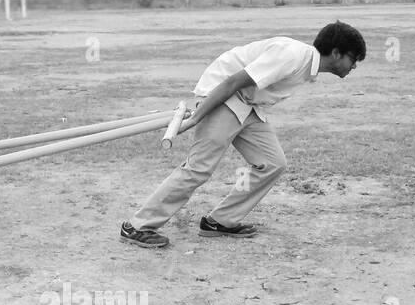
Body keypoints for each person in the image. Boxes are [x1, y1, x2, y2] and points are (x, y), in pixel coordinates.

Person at [119, 22, 366, 249]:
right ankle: (137, 226)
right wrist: (196, 116)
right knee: (199, 167)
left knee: (273, 163)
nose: (353, 66)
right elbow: (233, 81)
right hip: (225, 97)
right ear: (336, 53)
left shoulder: (305, 65)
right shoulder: (291, 55)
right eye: (353, 59)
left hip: (248, 104)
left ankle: (220, 221)